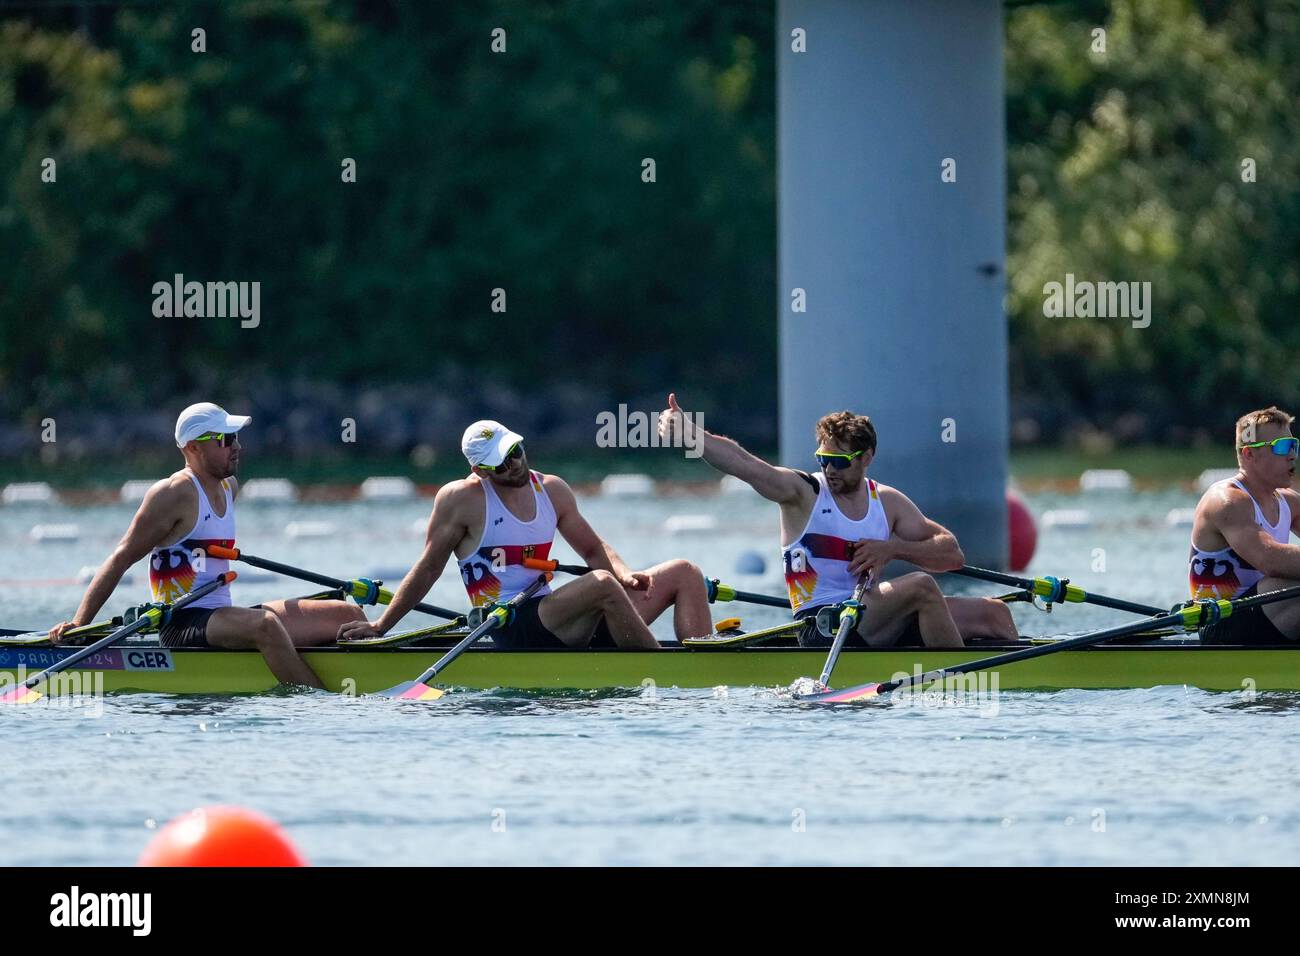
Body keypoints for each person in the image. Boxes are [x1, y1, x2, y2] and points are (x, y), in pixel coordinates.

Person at [658, 394, 1017, 647]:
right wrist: (693, 435)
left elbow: (951, 554)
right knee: (922, 586)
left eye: (840, 461)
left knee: (995, 615)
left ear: (867, 458)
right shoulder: (802, 495)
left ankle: (1014, 679)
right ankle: (956, 693)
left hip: (873, 615)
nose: (830, 469)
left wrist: (892, 549)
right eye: (823, 459)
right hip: (823, 625)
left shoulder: (887, 502)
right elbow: (748, 466)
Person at [48, 402, 363, 687]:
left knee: (348, 614)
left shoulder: (229, 487)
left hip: (220, 615)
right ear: (194, 447)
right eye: (226, 440)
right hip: (182, 621)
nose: (237, 447)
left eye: (236, 438)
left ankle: (357, 672)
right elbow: (121, 558)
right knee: (265, 625)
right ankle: (318, 702)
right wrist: (79, 625)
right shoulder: (171, 494)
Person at [337, 420, 712, 648]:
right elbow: (428, 568)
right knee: (599, 584)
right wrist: (381, 625)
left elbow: (594, 549)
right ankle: (664, 670)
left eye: (515, 450)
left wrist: (625, 572)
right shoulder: (461, 500)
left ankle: (708, 661)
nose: (515, 463)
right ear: (480, 470)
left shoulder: (552, 489)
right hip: (512, 624)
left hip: (560, 617)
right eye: (501, 462)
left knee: (684, 572)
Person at [1189, 406, 1300, 644]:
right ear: (1249, 454)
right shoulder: (1226, 501)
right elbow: (1271, 559)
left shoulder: (1289, 501)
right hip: (1222, 626)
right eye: (1282, 447)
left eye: (1294, 446)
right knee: (1284, 582)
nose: (1292, 455)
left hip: (1269, 616)